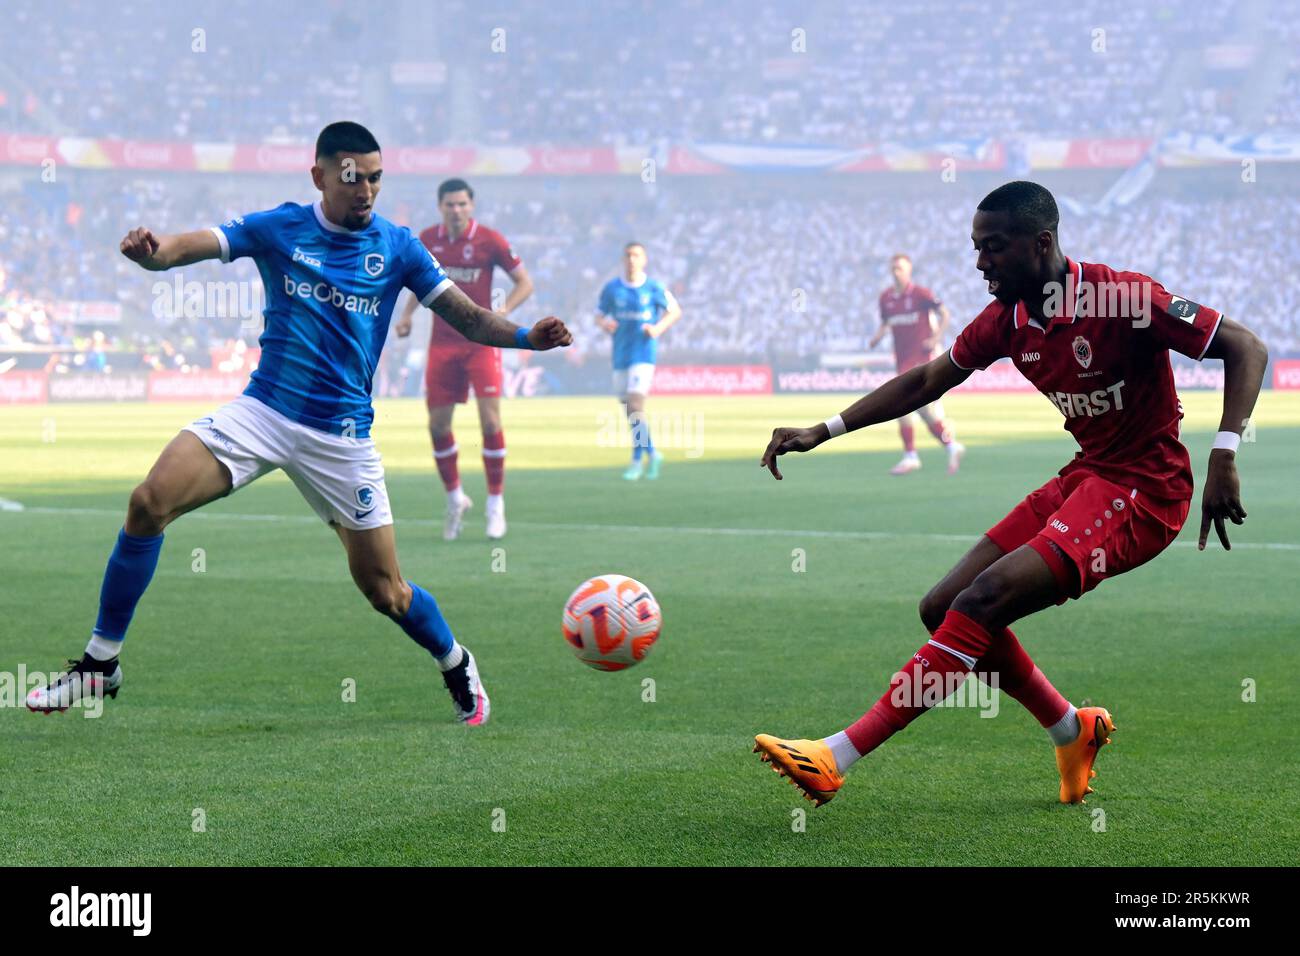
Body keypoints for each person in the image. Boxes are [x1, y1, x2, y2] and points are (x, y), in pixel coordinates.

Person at [26, 122, 572, 726]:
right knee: (148, 503)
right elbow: (188, 247)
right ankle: (100, 664)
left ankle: (455, 661)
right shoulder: (279, 227)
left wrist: (526, 338)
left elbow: (468, 319)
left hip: (341, 439)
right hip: (264, 412)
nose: (365, 190)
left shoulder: (399, 247)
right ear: (319, 177)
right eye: (351, 178)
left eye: (375, 178)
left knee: (384, 591)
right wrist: (152, 256)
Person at [755, 181, 1268, 805]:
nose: (980, 263)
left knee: (983, 600)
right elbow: (925, 380)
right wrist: (824, 429)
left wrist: (1224, 455)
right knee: (942, 606)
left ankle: (835, 756)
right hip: (1087, 477)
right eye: (976, 247)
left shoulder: (1123, 296)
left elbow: (1245, 347)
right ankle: (1071, 728)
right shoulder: (1008, 320)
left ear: (1041, 242)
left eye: (993, 247)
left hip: (1145, 491)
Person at [395, 178, 533, 540]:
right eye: (449, 205)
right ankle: (456, 498)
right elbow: (416, 279)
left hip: (480, 342)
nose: (456, 210)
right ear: (440, 207)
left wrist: (502, 311)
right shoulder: (427, 240)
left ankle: (495, 503)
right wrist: (408, 314)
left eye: (462, 204)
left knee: (490, 421)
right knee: (438, 425)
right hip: (442, 344)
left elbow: (525, 282)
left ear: (471, 206)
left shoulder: (490, 240)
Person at [868, 253, 965, 475]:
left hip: (921, 360)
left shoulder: (920, 294)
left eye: (900, 268)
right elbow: (886, 323)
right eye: (893, 268)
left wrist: (937, 338)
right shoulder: (886, 299)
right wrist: (877, 337)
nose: (896, 272)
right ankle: (952, 446)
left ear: (909, 271)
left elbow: (944, 314)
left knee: (899, 401)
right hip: (902, 360)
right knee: (923, 411)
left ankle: (911, 455)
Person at [595, 242, 681, 480]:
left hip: (643, 355)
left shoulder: (654, 287)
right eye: (628, 255)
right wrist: (604, 324)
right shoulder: (612, 289)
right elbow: (599, 315)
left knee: (635, 406)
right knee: (628, 411)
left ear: (644, 260)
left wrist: (657, 328)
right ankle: (652, 453)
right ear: (623, 260)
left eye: (636, 255)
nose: (632, 259)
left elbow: (674, 311)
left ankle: (636, 461)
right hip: (620, 355)